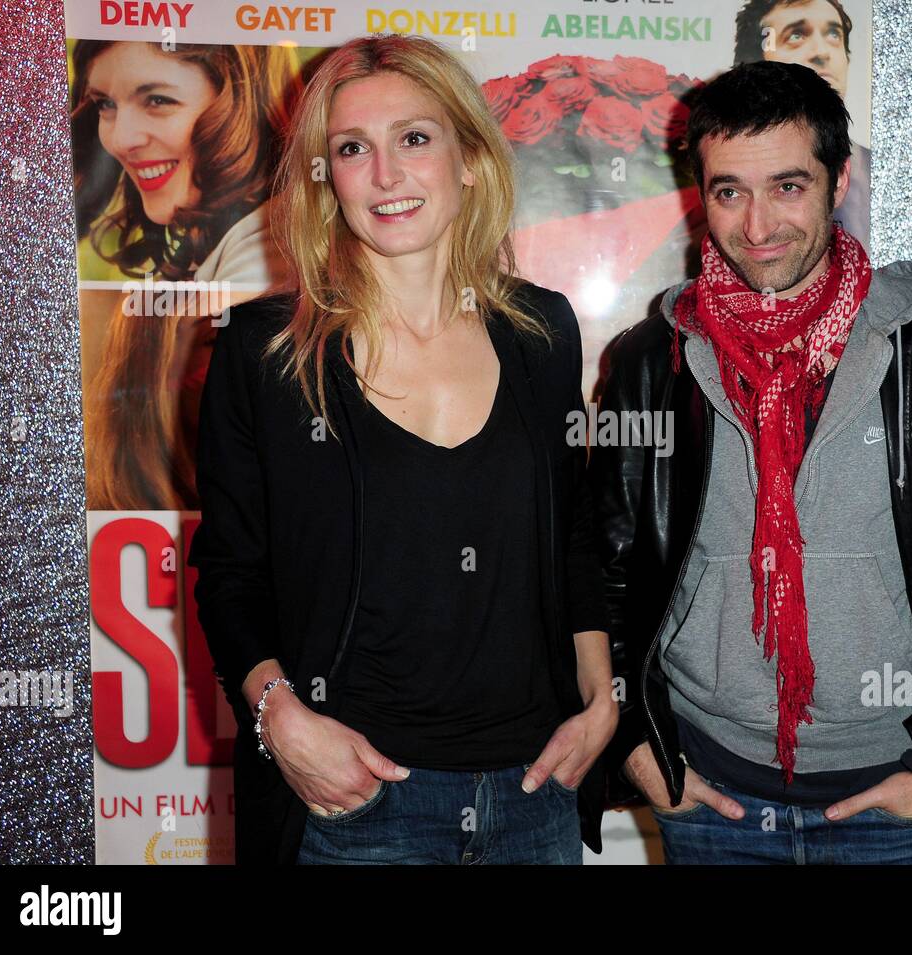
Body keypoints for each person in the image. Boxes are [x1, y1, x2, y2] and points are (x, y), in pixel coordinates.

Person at [592, 61, 912, 864]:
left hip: (893, 794)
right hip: (712, 798)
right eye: (729, 190)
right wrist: (635, 743)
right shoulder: (650, 360)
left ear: (839, 182)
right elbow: (607, 565)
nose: (758, 224)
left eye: (788, 186)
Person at [186, 35, 616, 866]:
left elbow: (574, 539)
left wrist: (601, 698)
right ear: (326, 179)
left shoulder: (542, 333)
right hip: (352, 806)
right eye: (353, 149)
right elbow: (231, 571)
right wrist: (281, 718)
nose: (386, 174)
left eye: (415, 138)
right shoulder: (265, 353)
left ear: (469, 160)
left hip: (534, 796)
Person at [71, 41, 297, 509]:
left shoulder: (269, 254)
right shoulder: (226, 250)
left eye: (158, 100)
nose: (121, 138)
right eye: (105, 105)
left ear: (236, 105)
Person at [734, 0, 871, 249]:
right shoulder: (718, 167)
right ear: (754, 63)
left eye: (833, 34)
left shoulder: (876, 169)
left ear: (841, 177)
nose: (822, 52)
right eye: (796, 35)